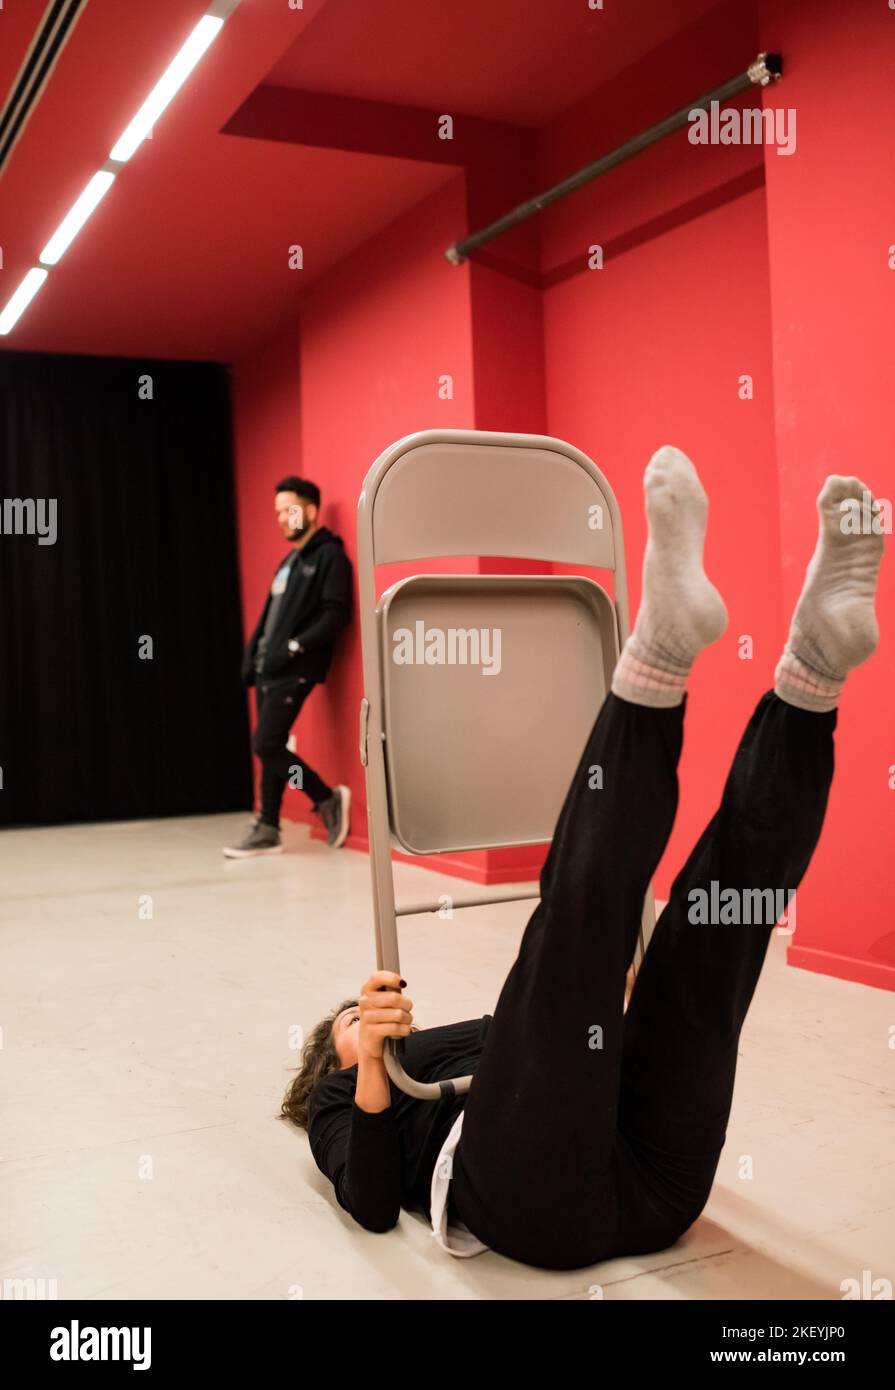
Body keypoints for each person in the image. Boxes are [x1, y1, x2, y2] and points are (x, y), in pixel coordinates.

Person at [281, 447, 885, 1271]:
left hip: (643, 1179)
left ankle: (812, 666)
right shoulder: (336, 1100)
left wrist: (621, 994)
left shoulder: (448, 1049)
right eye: (353, 1022)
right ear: (328, 1054)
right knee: (579, 937)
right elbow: (371, 1202)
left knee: (702, 947)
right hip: (546, 1206)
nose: (385, 1022)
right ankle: (660, 652)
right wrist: (367, 1071)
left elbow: (556, 1031)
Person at [224, 476, 353, 859]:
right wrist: (252, 655)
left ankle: (324, 797)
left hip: (294, 667)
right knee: (271, 746)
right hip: (268, 668)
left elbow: (336, 615)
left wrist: (294, 648)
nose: (281, 518)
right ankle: (268, 826)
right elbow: (270, 617)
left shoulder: (329, 556)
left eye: (289, 509)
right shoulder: (289, 562)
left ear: (311, 511)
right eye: (278, 511)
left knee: (264, 743)